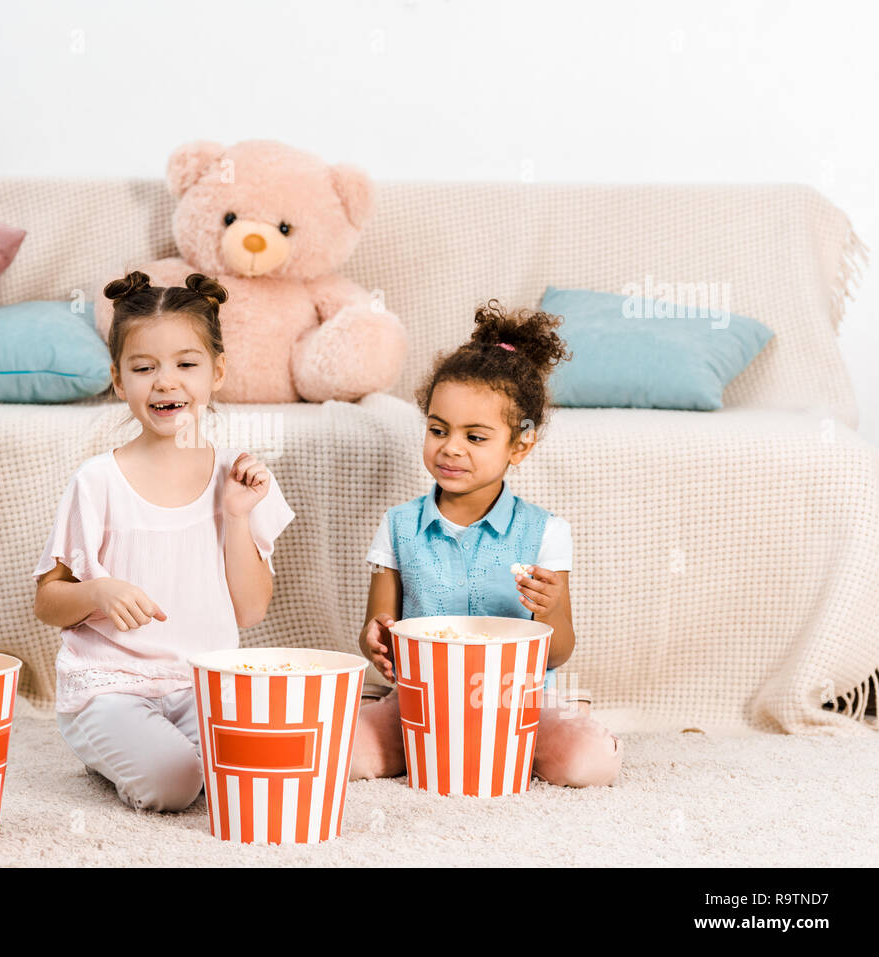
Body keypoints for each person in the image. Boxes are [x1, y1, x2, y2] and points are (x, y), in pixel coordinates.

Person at [33, 271, 295, 812]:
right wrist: (98, 592)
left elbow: (249, 610)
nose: (166, 382)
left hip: (201, 685)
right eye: (144, 367)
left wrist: (236, 516)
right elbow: (47, 600)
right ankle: (112, 744)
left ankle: (144, 749)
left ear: (217, 371)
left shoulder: (241, 479)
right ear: (117, 378)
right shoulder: (97, 481)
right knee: (177, 785)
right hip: (110, 686)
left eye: (186, 364)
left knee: (259, 771)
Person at [349, 300, 622, 787]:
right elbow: (379, 627)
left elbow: (557, 651)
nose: (450, 448)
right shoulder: (397, 525)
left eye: (475, 437)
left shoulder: (545, 531)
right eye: (437, 430)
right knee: (343, 753)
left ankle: (530, 730)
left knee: (590, 762)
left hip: (518, 703)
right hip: (421, 699)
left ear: (520, 445)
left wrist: (550, 606)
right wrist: (376, 642)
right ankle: (430, 741)